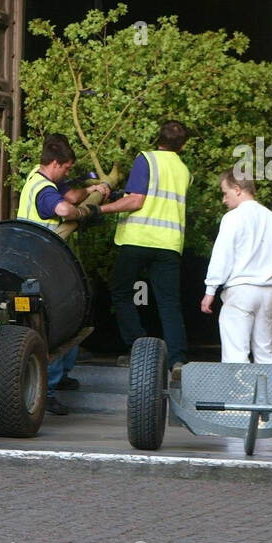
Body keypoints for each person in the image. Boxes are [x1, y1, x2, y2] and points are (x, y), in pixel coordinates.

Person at [16, 133, 110, 415]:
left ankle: (59, 377)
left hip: (37, 260)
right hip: (42, 263)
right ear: (55, 163)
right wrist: (84, 213)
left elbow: (70, 194)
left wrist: (95, 190)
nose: (68, 173)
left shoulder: (39, 177)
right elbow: (64, 207)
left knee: (69, 315)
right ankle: (49, 389)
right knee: (56, 322)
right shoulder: (44, 190)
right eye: (67, 168)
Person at [99, 120, 191, 372]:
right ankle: (177, 360)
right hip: (169, 244)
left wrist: (99, 209)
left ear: (157, 138)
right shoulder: (183, 170)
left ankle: (137, 348)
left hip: (138, 239)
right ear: (182, 145)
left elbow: (136, 201)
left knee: (120, 291)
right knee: (169, 302)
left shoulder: (146, 159)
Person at [200, 171, 272, 363]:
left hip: (240, 290)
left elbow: (222, 256)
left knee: (236, 352)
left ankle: (240, 394)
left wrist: (210, 290)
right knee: (264, 351)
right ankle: (269, 392)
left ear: (237, 190)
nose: (224, 199)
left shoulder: (233, 218)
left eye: (225, 193)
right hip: (268, 292)